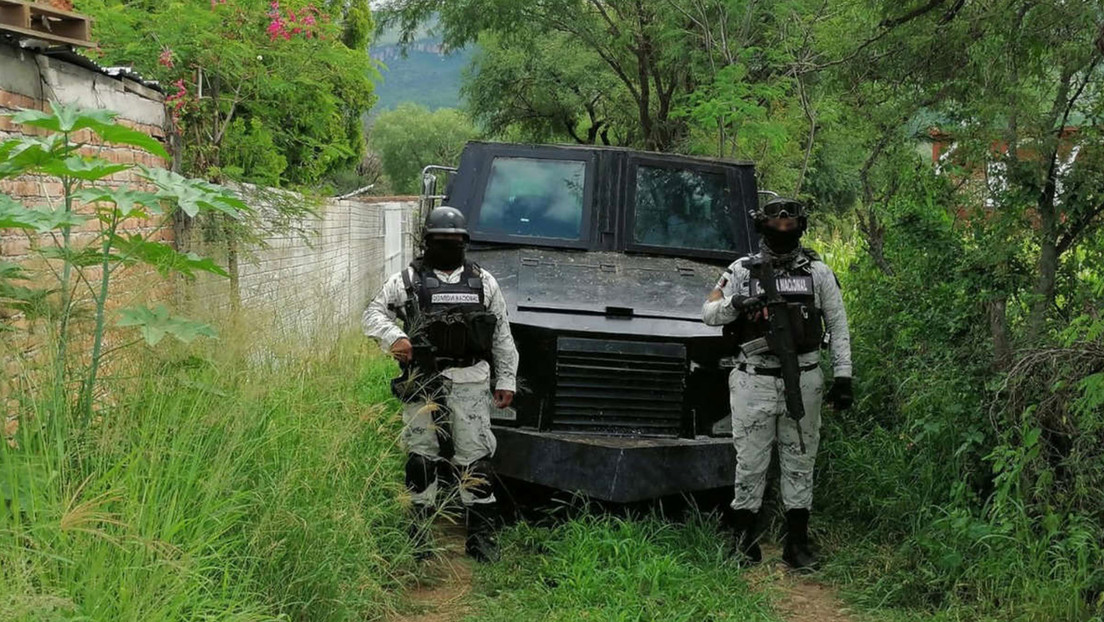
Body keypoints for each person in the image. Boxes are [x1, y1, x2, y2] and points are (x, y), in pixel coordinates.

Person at [701, 196, 853, 571]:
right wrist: (737, 303)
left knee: (800, 460)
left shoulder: (818, 273)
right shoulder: (741, 270)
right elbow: (708, 313)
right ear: (762, 227)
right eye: (776, 224)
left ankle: (796, 544)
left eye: (790, 224)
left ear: (800, 227)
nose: (783, 230)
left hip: (804, 377)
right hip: (753, 379)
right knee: (750, 463)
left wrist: (844, 376)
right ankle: (744, 541)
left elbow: (838, 326)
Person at [363, 205, 518, 562]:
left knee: (476, 462)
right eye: (440, 240)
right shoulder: (406, 281)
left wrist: (506, 379)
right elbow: (372, 313)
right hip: (423, 382)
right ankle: (419, 539)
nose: (448, 245)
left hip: (471, 383)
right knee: (420, 460)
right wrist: (394, 337)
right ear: (427, 241)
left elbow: (502, 336)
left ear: (464, 242)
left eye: (454, 240)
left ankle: (480, 539)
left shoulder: (483, 282)